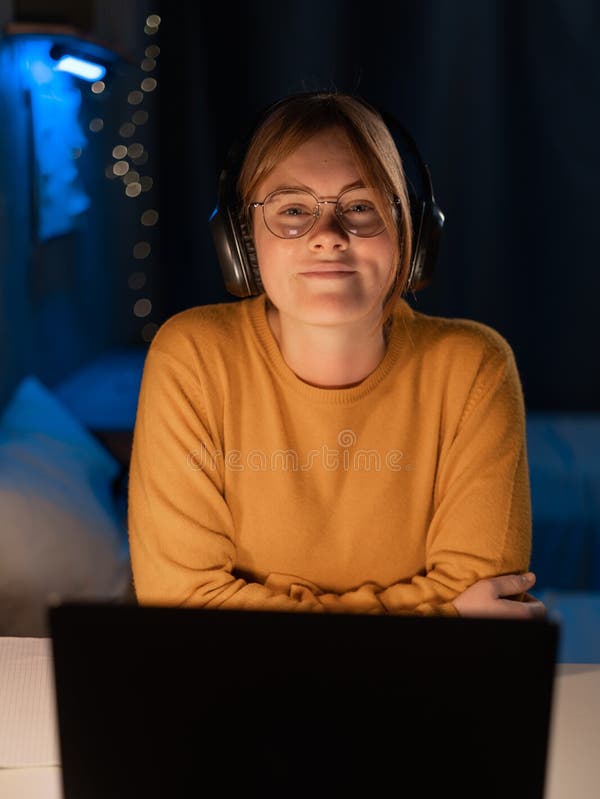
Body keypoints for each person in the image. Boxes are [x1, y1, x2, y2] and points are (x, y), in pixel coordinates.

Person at [127, 90, 546, 620]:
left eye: (360, 207)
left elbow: (489, 590)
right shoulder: (192, 357)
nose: (327, 237)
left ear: (412, 235)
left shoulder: (474, 366)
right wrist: (441, 617)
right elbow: (184, 605)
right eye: (294, 209)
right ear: (243, 240)